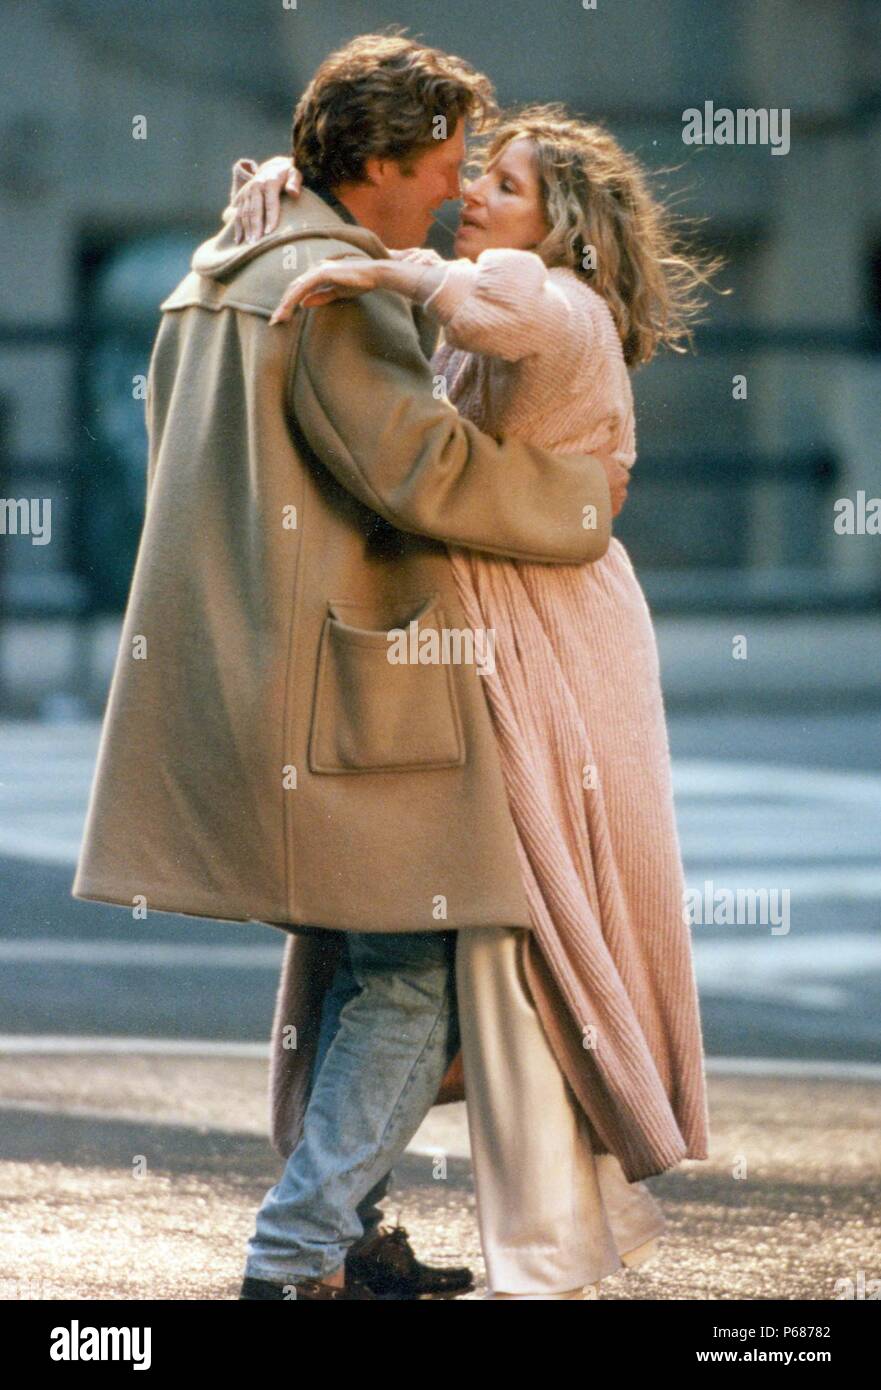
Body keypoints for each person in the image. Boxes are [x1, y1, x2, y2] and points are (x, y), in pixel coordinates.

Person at [70, 33, 614, 1301]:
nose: (453, 187)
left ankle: (350, 1238)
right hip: (355, 692)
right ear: (374, 162)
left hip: (261, 673)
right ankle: (299, 1249)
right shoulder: (335, 285)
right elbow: (421, 469)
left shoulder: (221, 267)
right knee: (413, 971)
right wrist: (582, 500)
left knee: (354, 965)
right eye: (440, 161)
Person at [231, 97, 722, 1299]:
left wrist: (369, 262)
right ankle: (335, 1239)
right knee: (421, 940)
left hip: (549, 646)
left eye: (501, 183)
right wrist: (278, 204)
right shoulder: (491, 282)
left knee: (478, 938)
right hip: (485, 635)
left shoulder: (548, 298)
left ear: (564, 229)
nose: (472, 198)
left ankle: (323, 1243)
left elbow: (499, 306)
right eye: (473, 175)